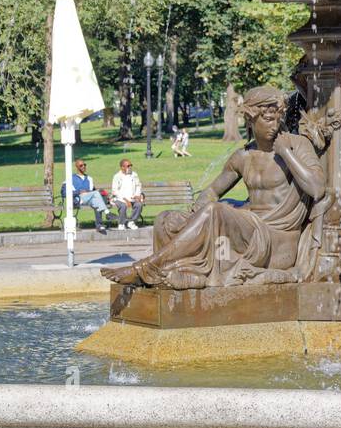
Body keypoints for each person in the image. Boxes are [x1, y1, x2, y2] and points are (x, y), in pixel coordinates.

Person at [103, 85, 328, 290]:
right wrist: (189, 215)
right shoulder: (243, 156)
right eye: (267, 119)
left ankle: (145, 269)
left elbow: (317, 189)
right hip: (249, 231)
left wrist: (286, 154)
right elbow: (212, 192)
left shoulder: (296, 145)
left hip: (277, 241)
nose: (275, 124)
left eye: (277, 118)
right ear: (251, 120)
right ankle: (176, 274)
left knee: (216, 211)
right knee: (166, 219)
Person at [62, 159, 108, 235]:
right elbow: (64, 193)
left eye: (84, 165)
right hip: (77, 200)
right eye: (81, 165)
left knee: (97, 201)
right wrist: (78, 192)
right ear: (77, 167)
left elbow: (93, 192)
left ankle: (99, 226)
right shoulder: (70, 178)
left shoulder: (89, 178)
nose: (83, 166)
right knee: (97, 199)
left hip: (88, 200)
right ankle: (107, 214)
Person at [111, 158, 144, 230]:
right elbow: (115, 191)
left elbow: (138, 185)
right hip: (120, 198)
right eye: (128, 166)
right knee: (123, 206)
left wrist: (137, 195)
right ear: (122, 167)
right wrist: (125, 200)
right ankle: (121, 223)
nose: (130, 167)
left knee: (139, 205)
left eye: (131, 165)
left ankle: (131, 222)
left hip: (132, 198)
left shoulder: (134, 174)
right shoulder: (117, 176)